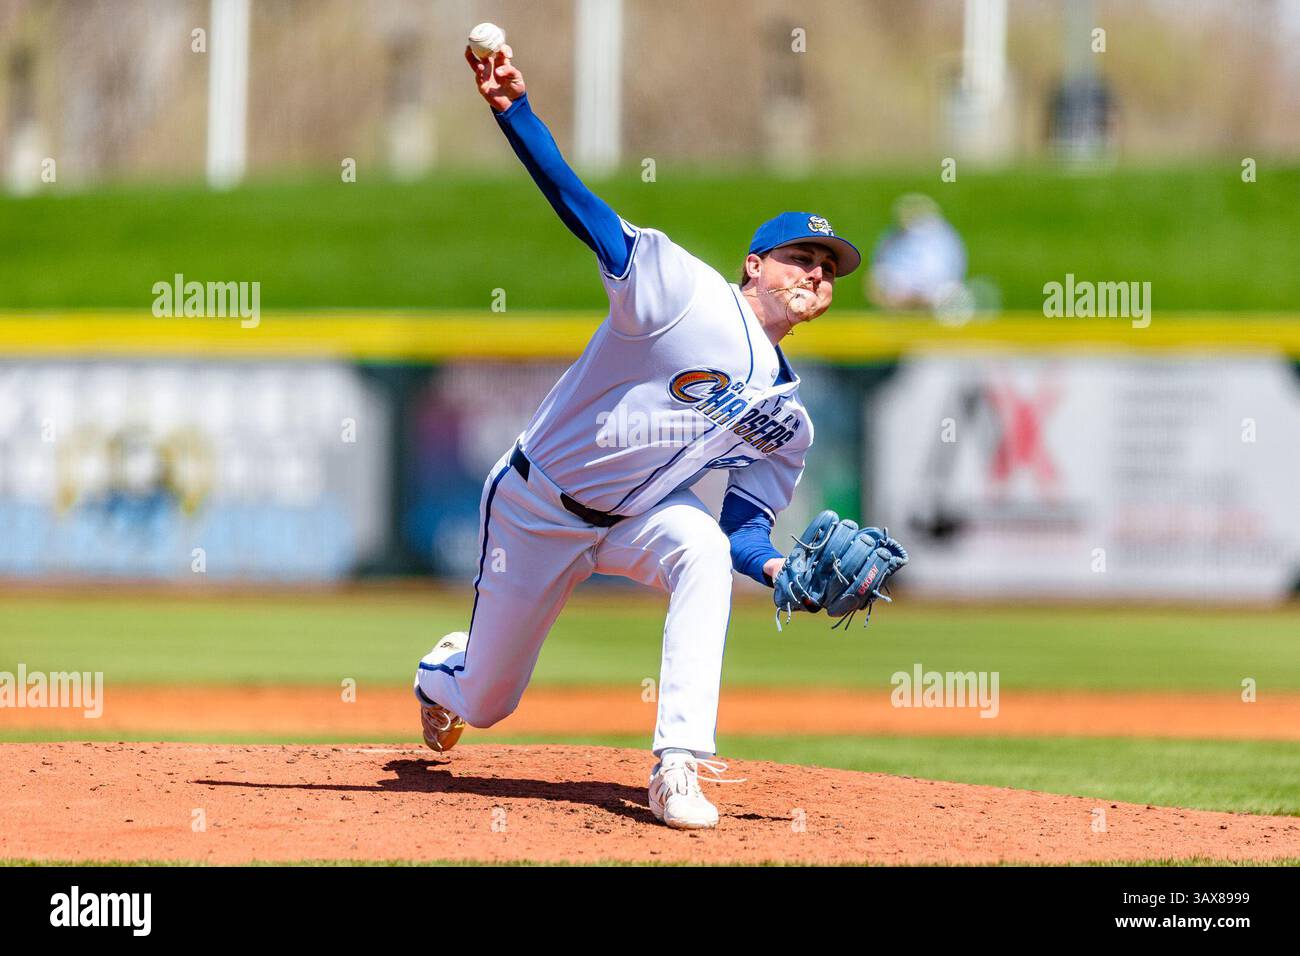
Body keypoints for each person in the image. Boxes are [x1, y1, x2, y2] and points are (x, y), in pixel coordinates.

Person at [412, 42, 861, 830]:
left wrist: (784, 569)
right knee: (485, 703)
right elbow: (580, 206)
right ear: (754, 265)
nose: (817, 274)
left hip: (640, 522)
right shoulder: (682, 292)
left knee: (703, 552)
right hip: (537, 506)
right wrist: (514, 110)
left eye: (829, 268)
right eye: (802, 257)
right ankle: (443, 670)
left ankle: (677, 765)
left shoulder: (790, 420)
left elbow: (741, 530)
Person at [868, 193, 967, 313]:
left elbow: (954, 267)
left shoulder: (943, 236)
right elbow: (878, 268)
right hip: (900, 293)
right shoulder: (891, 237)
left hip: (934, 292)